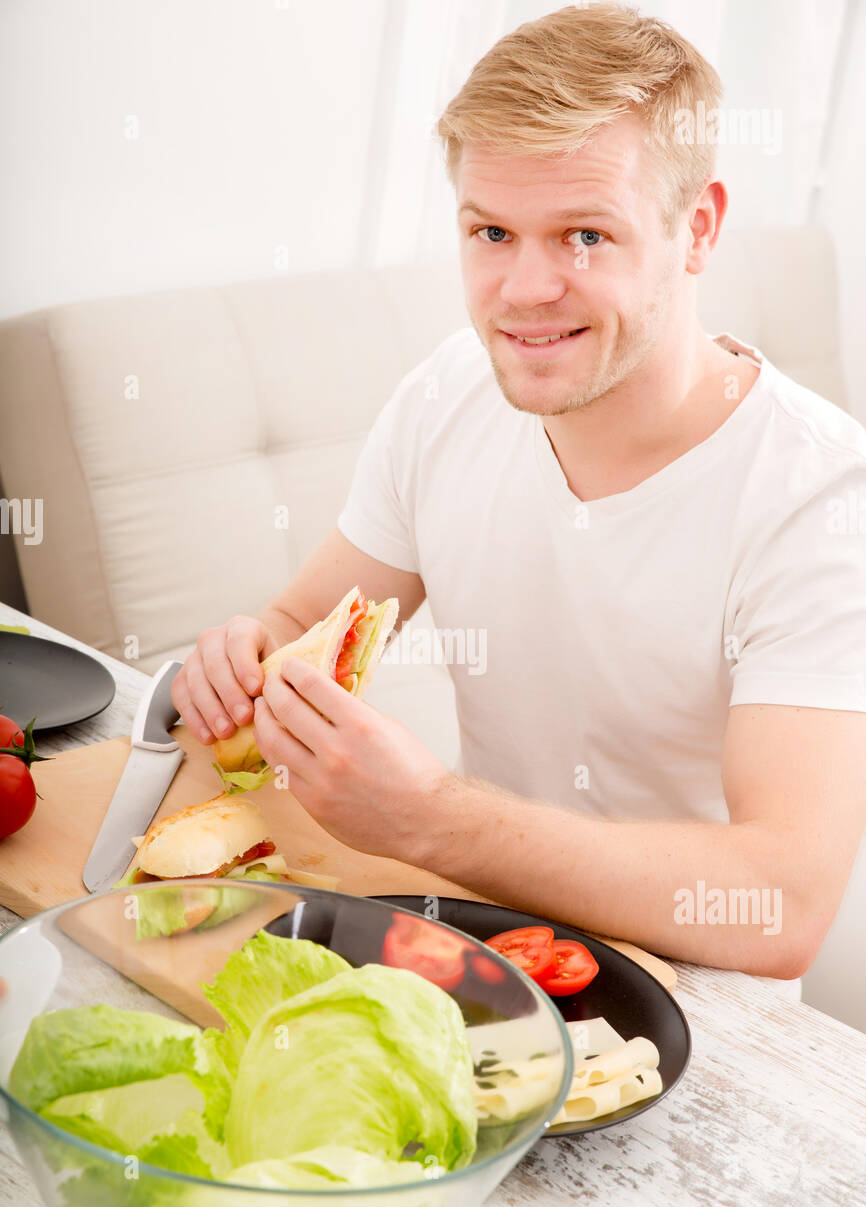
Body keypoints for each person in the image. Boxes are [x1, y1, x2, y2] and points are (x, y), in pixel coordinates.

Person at [171, 3, 866, 998]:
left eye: (583, 234)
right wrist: (246, 662)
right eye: (490, 231)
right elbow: (299, 625)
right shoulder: (445, 395)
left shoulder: (816, 497)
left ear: (695, 228)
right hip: (467, 947)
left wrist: (432, 819)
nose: (524, 289)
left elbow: (777, 906)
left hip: (697, 1001)